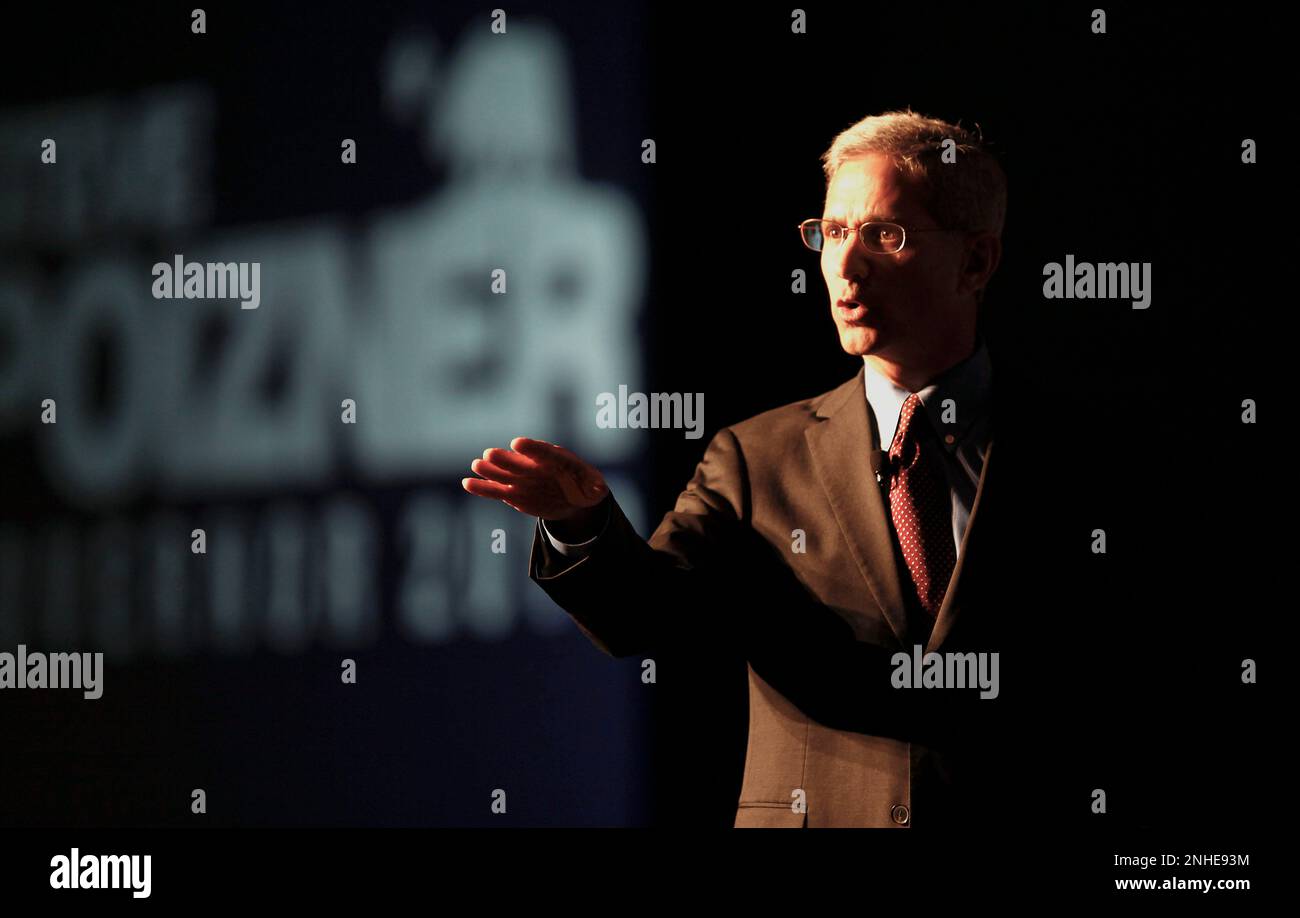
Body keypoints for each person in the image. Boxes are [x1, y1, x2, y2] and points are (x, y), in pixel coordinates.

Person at [463, 109, 1039, 828]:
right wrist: (583, 525)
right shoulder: (756, 457)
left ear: (977, 262)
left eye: (884, 236)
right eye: (831, 233)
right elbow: (645, 611)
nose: (846, 266)